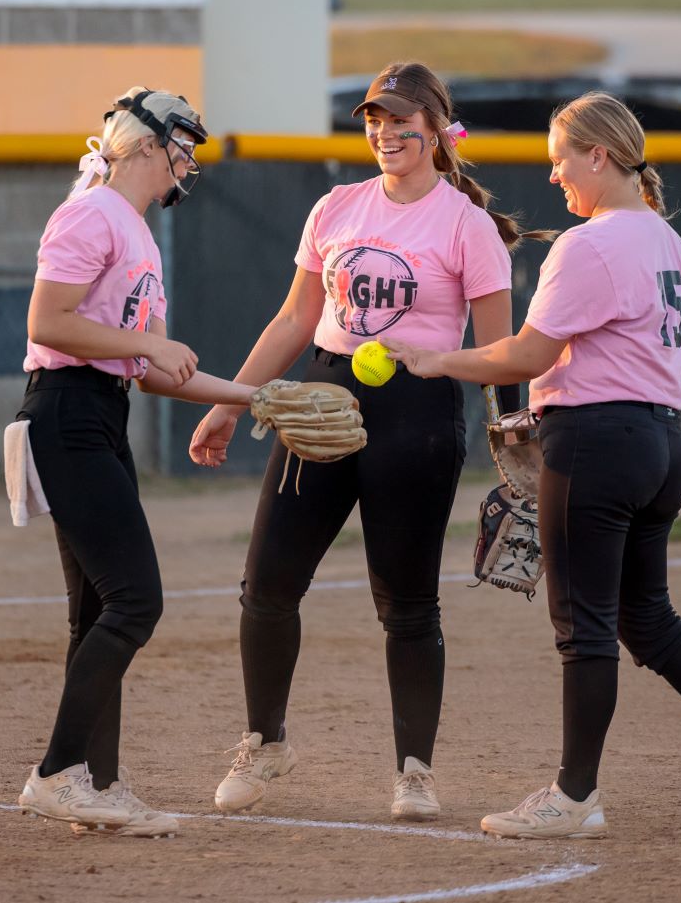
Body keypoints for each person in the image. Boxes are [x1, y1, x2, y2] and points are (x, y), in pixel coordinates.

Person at [385, 91, 681, 839]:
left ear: (600, 155)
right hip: (660, 448)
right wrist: (629, 391)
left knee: (583, 627)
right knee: (647, 620)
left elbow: (526, 354)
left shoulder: (588, 244)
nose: (555, 177)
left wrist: (436, 359)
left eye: (561, 160)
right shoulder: (674, 246)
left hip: (594, 448)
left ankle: (574, 794)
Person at [189, 61, 540, 821]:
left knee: (407, 603)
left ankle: (415, 771)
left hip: (417, 412)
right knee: (267, 583)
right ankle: (264, 741)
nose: (385, 131)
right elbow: (292, 320)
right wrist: (230, 401)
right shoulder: (337, 207)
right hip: (322, 396)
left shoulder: (465, 225)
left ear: (439, 128)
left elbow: (500, 349)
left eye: (401, 117)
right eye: (374, 118)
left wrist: (513, 449)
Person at [13, 87, 260, 837]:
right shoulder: (91, 211)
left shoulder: (138, 232)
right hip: (65, 412)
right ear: (145, 144)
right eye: (180, 140)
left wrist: (255, 395)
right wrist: (145, 343)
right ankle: (57, 773)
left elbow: (152, 370)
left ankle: (99, 782)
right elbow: (47, 322)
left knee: (98, 610)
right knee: (136, 601)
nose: (188, 156)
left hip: (100, 413)